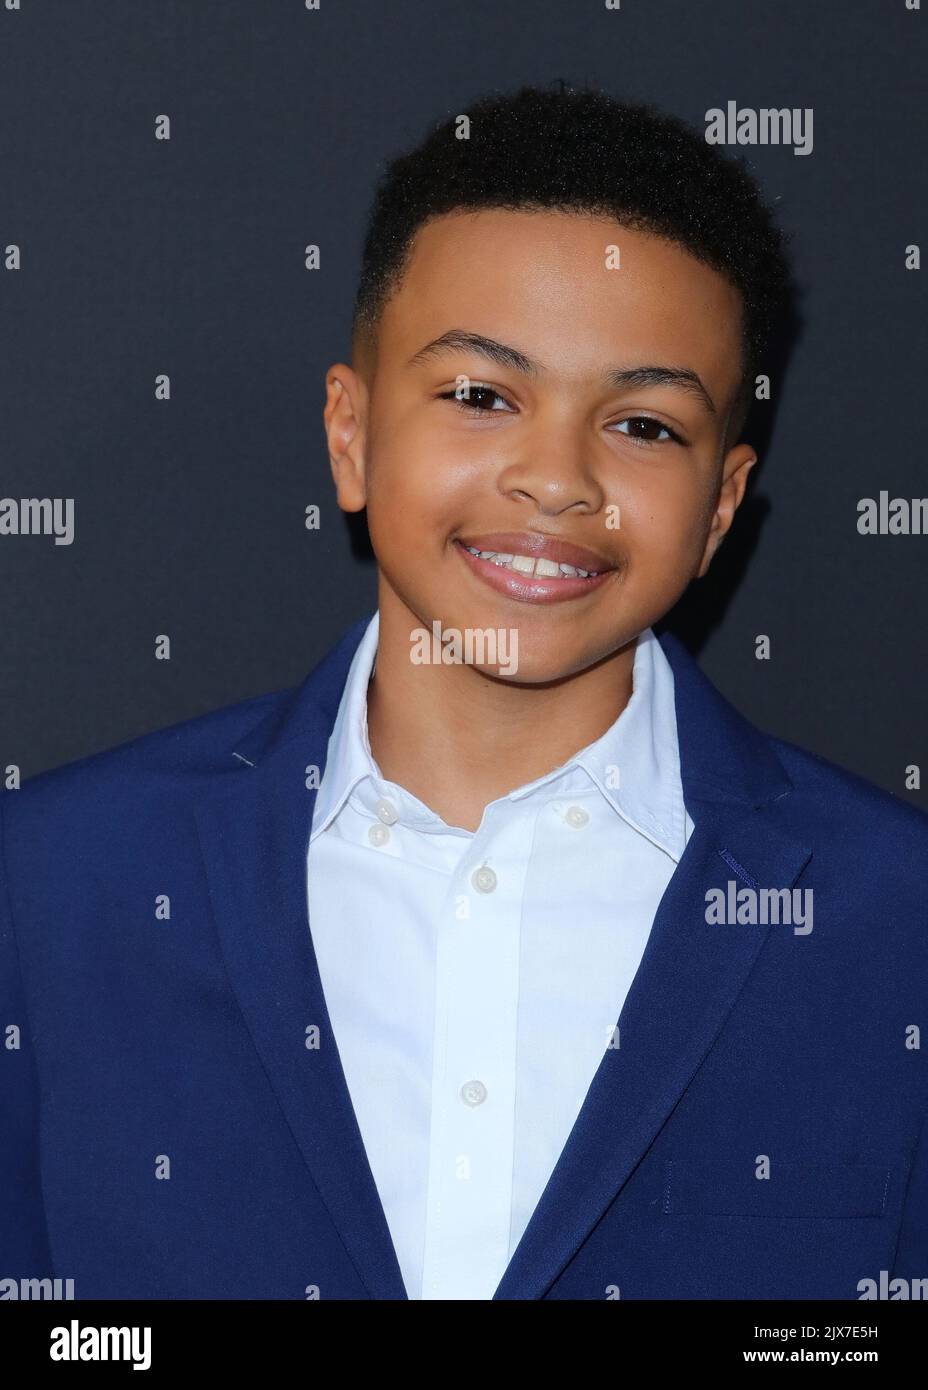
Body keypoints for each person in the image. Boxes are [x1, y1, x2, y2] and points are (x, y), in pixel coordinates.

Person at [2, 83, 926, 1302]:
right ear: (351, 434)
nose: (555, 478)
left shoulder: (892, 919)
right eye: (481, 396)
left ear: (718, 508)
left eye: (643, 424)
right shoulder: (55, 886)